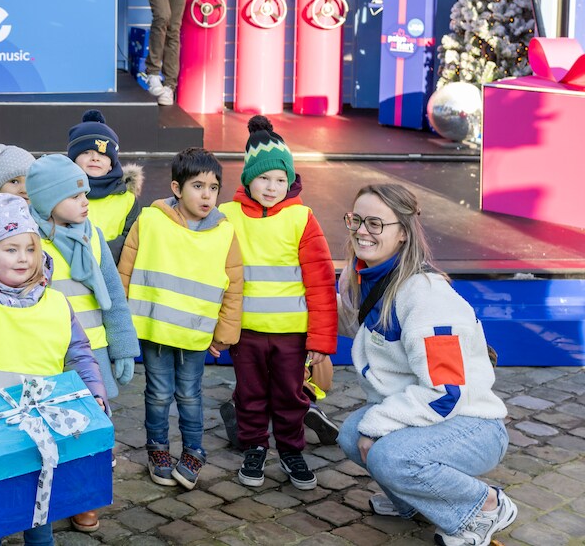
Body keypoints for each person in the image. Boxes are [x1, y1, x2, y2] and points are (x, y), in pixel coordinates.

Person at [336, 184, 514, 546]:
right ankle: (416, 502)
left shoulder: (427, 296)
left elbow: (446, 392)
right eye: (356, 220)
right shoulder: (369, 276)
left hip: (474, 424)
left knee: (385, 454)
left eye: (375, 223)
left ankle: (486, 506)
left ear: (403, 232)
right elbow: (358, 327)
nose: (361, 231)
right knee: (351, 435)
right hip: (436, 415)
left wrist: (377, 426)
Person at [0, 193, 107, 546]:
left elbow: (79, 355)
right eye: (10, 249)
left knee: (42, 515)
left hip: (47, 429)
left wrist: (94, 397)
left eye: (30, 249)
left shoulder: (56, 304)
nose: (23, 258)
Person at [217, 116, 337, 490]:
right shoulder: (227, 216)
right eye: (264, 178)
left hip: (291, 335)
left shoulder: (302, 218)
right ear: (248, 178)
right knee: (249, 394)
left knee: (290, 395)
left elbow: (320, 283)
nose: (272, 187)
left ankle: (290, 450)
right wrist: (215, 329)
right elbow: (212, 274)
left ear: (290, 180)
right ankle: (254, 447)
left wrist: (320, 341)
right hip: (246, 333)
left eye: (280, 180)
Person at [25, 154, 139, 532]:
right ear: (48, 202)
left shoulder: (94, 236)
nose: (85, 202)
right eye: (74, 196)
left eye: (85, 194)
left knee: (92, 429)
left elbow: (114, 297)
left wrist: (123, 347)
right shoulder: (29, 242)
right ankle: (50, 493)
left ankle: (86, 499)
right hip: (48, 355)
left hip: (93, 353)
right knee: (50, 429)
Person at [117, 148, 243, 490]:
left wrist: (224, 334)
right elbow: (125, 271)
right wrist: (121, 323)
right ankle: (157, 449)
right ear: (177, 188)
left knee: (189, 394)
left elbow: (234, 285)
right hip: (155, 329)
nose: (206, 195)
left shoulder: (224, 232)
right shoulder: (150, 221)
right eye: (197, 186)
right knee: (158, 393)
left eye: (213, 188)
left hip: (195, 334)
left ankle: (193, 451)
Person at [68, 111, 143, 261]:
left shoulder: (127, 199)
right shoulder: (61, 194)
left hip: (113, 267)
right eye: (86, 152)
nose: (95, 158)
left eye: (102, 154)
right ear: (73, 159)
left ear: (111, 164)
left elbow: (132, 239)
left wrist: (103, 254)